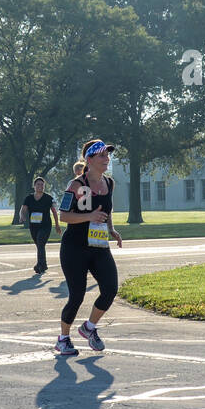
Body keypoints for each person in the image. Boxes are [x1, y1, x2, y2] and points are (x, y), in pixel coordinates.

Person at [55, 140, 123, 356]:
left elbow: (107, 210)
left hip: (99, 245)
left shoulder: (109, 183)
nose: (107, 159)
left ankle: (89, 328)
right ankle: (63, 339)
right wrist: (89, 216)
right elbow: (64, 215)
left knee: (110, 288)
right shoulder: (76, 185)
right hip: (74, 247)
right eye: (102, 155)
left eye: (108, 155)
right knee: (77, 295)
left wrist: (111, 228)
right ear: (89, 160)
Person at [21, 176, 62, 274]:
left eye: (42, 185)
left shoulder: (48, 198)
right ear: (34, 186)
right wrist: (22, 216)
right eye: (38, 184)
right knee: (39, 245)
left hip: (45, 226)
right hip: (33, 226)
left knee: (40, 242)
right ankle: (43, 265)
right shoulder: (29, 198)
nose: (40, 186)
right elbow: (23, 209)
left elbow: (54, 212)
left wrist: (57, 225)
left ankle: (40, 265)